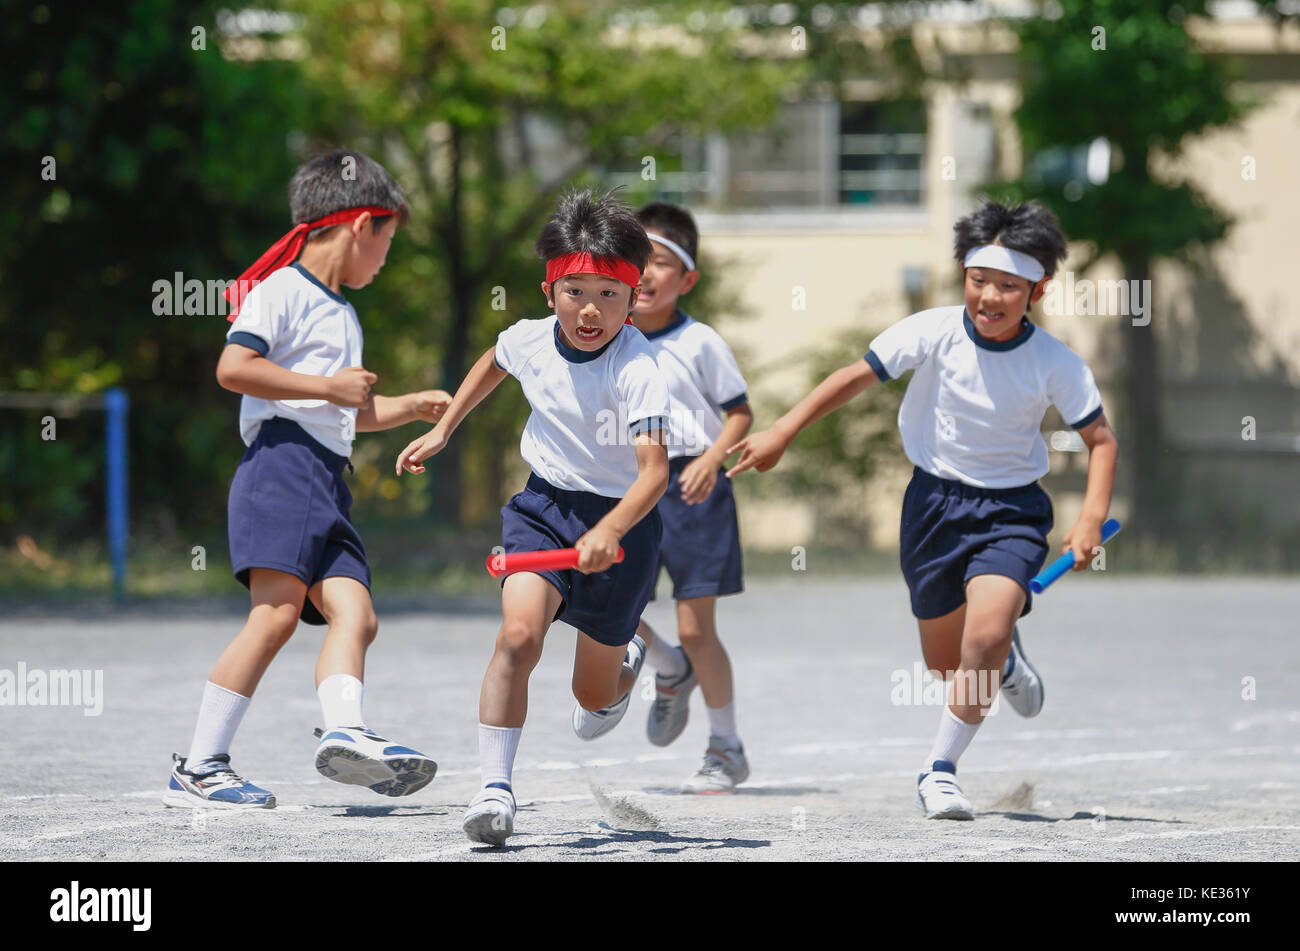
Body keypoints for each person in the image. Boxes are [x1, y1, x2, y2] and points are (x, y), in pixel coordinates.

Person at [727, 200, 1119, 820]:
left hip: (1012, 513)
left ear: (1037, 290)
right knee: (947, 665)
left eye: (1009, 286)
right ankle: (1005, 658)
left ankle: (939, 770)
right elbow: (854, 378)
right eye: (978, 279)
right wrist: (783, 431)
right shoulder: (930, 330)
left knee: (982, 639)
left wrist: (1091, 517)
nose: (990, 296)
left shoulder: (1057, 363)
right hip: (933, 507)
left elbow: (1100, 440)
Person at [164, 149, 449, 810]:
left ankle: (346, 731)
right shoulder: (283, 291)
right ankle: (202, 764)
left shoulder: (343, 313)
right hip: (280, 468)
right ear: (360, 227)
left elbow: (343, 405)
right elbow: (234, 368)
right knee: (276, 615)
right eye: (388, 243)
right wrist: (327, 385)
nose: (385, 259)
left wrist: (406, 407)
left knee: (359, 613)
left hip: (328, 480)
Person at [395, 188, 670, 845]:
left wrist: (610, 530)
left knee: (591, 699)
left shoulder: (640, 366)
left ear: (635, 299)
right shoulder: (528, 339)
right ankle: (494, 790)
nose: (591, 310)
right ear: (550, 289)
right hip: (543, 507)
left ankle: (627, 655)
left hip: (624, 525)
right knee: (518, 637)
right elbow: (495, 360)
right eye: (576, 290)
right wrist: (446, 430)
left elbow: (655, 472)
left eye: (610, 294)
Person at [617, 201, 754, 793]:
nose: (646, 274)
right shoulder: (607, 337)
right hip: (626, 487)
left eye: (663, 263)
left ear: (688, 279)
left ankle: (726, 747)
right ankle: (670, 670)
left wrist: (711, 458)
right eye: (637, 260)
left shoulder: (699, 341)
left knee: (698, 628)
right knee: (610, 609)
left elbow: (740, 413)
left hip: (693, 489)